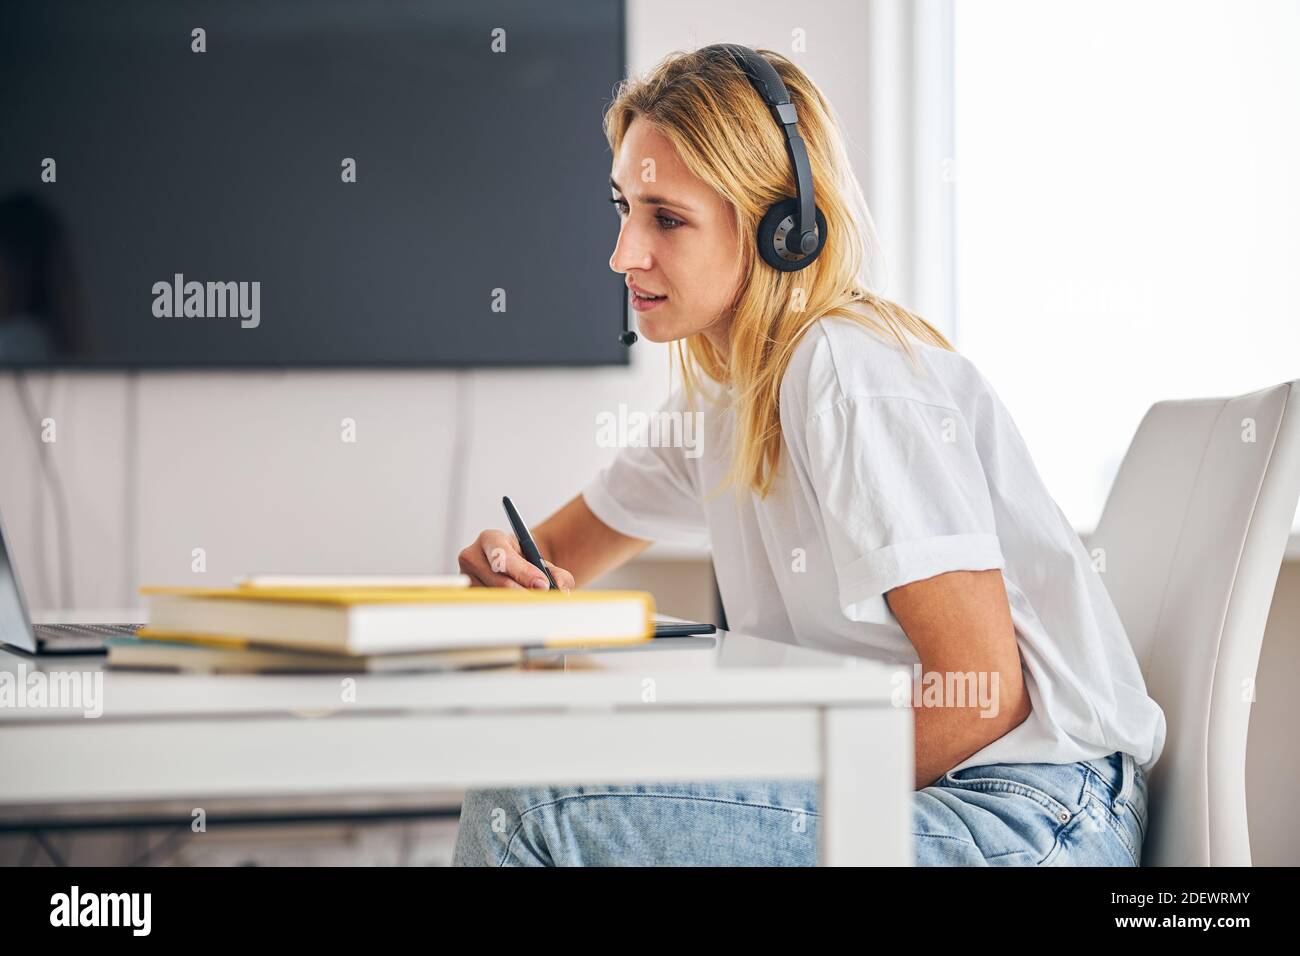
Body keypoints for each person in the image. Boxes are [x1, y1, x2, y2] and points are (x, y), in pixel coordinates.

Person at [453, 45, 1164, 866]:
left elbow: (982, 697)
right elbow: (556, 559)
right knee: (564, 782)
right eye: (623, 208)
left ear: (781, 228)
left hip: (1026, 812)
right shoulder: (723, 397)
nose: (623, 255)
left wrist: (725, 794)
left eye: (666, 218)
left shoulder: (846, 374)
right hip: (943, 794)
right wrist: (512, 571)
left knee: (535, 808)